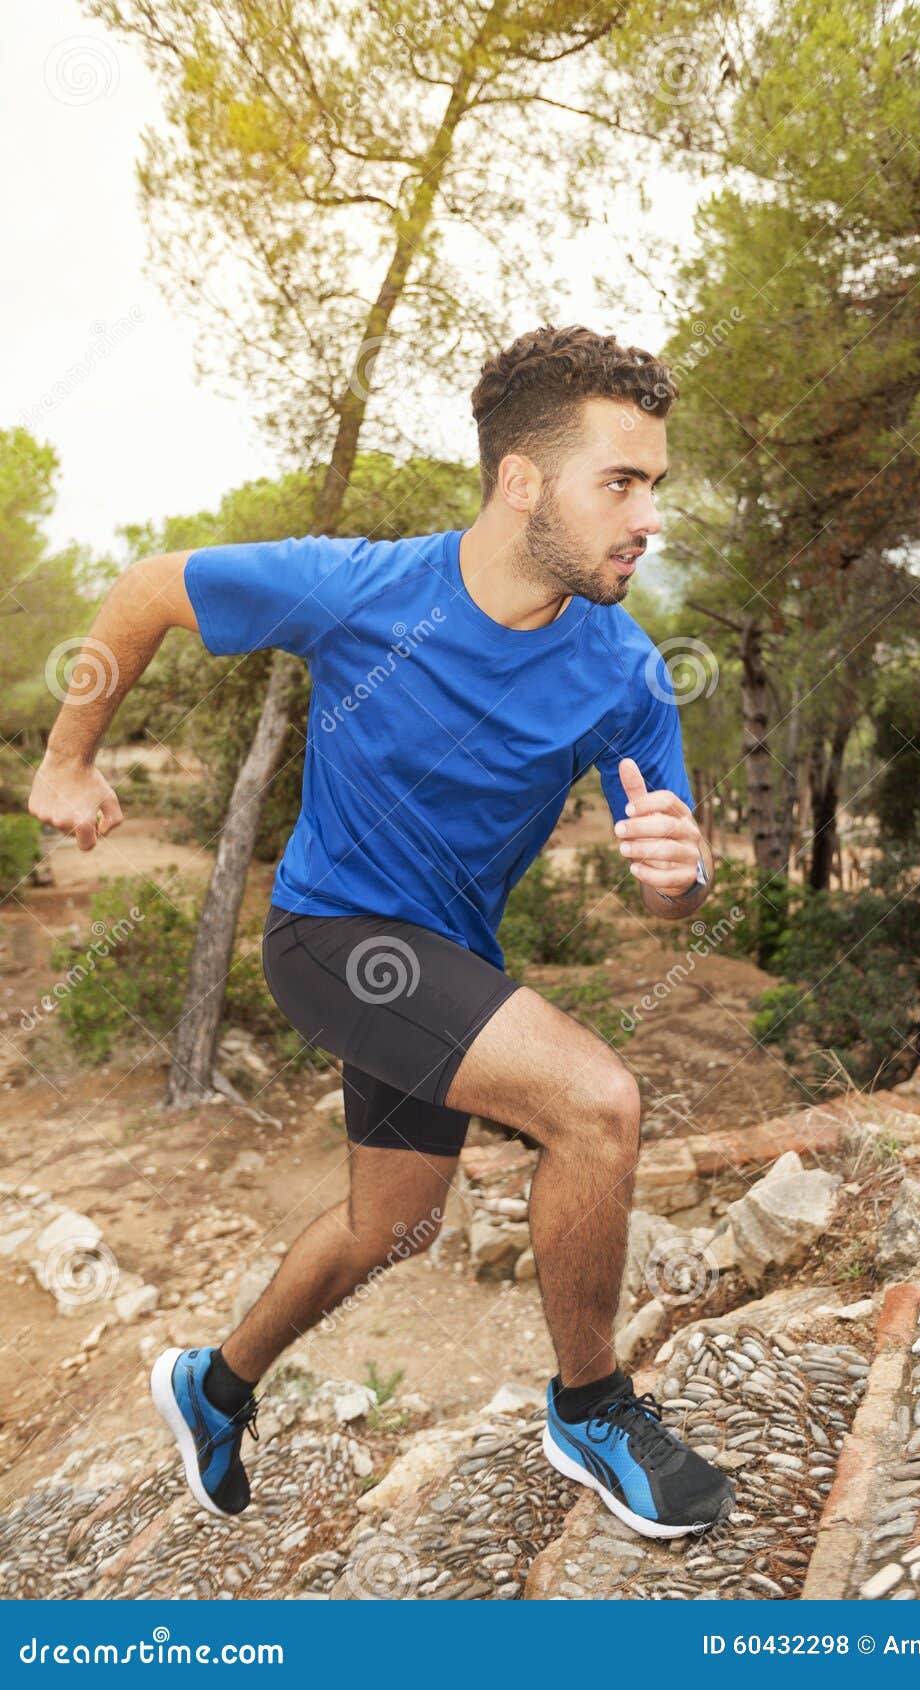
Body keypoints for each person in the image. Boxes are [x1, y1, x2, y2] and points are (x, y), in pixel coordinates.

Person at [27, 324, 734, 1541]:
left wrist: (684, 880)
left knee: (392, 1225)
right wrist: (66, 759)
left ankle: (214, 1384)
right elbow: (152, 587)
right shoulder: (364, 589)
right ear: (522, 483)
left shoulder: (624, 670)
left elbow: (672, 885)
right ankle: (593, 1407)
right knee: (596, 1103)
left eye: (654, 486)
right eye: (619, 482)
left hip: (448, 967)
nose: (646, 517)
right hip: (331, 933)